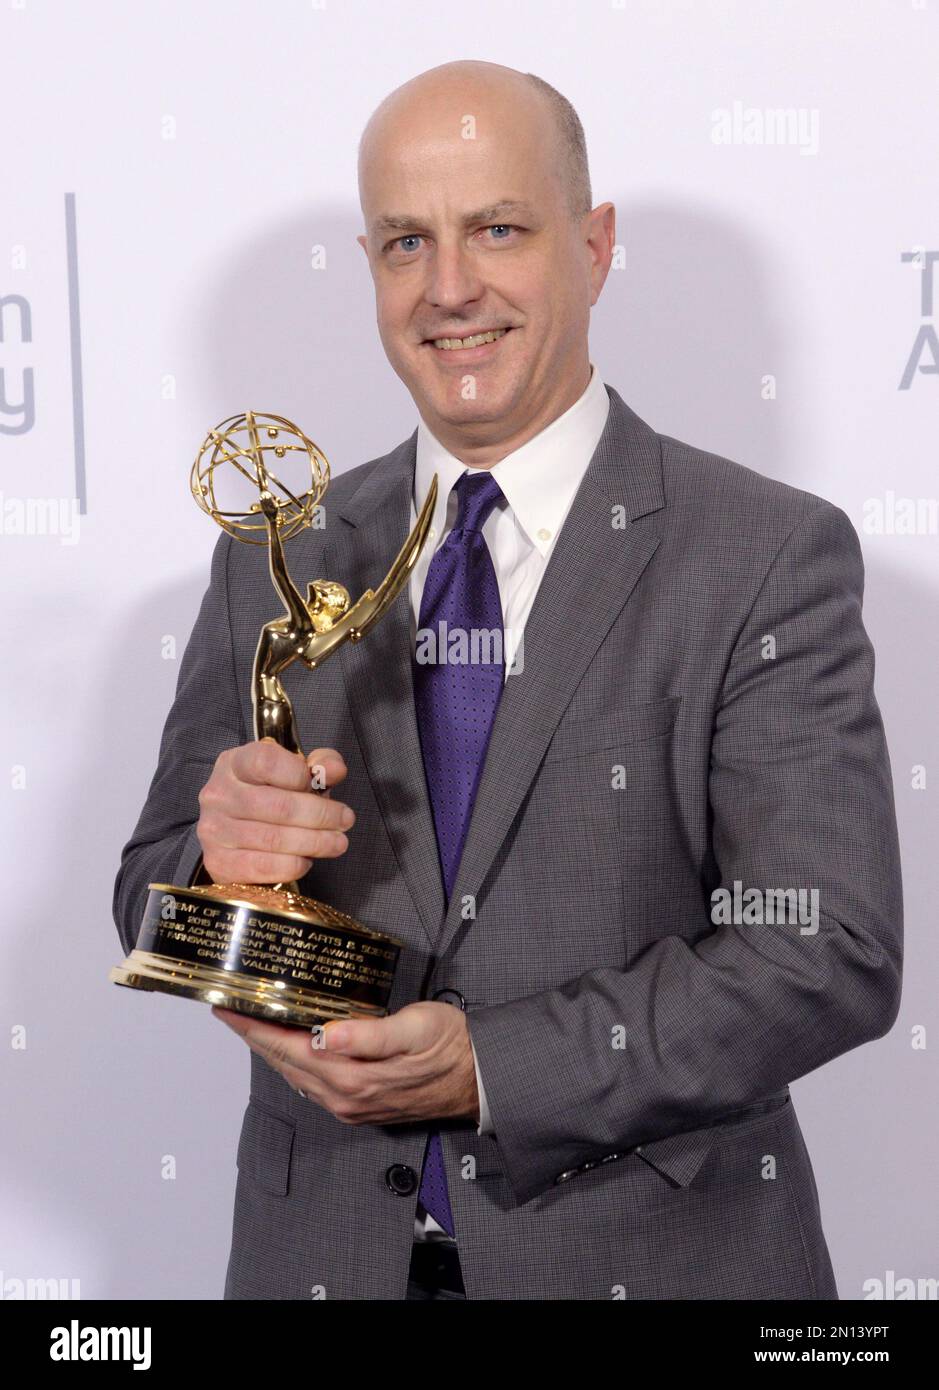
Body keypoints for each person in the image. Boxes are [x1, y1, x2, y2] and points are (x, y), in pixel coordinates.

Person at [112, 60, 903, 1300]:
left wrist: (497, 1066)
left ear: (594, 246)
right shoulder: (278, 552)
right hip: (320, 1258)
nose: (449, 288)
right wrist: (221, 865)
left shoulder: (763, 554)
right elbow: (148, 903)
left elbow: (825, 948)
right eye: (404, 242)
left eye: (497, 229)